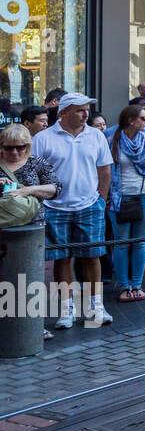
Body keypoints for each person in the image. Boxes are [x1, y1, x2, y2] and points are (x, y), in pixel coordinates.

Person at [31, 93, 114, 327]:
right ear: (64, 112)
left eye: (87, 109)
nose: (85, 114)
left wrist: (101, 200)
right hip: (54, 206)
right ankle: (67, 309)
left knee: (92, 257)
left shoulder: (96, 135)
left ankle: (96, 307)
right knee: (62, 259)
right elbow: (34, 173)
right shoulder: (43, 138)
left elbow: (105, 170)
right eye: (79, 110)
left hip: (89, 204)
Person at [0, 123, 60, 338]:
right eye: (8, 148)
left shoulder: (37, 164)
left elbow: (55, 188)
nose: (14, 152)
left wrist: (26, 190)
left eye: (20, 147)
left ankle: (32, 326)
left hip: (31, 228)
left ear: (28, 146)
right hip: (3, 229)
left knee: (30, 278)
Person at [105, 105, 145, 303]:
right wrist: (103, 194)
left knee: (140, 242)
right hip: (119, 197)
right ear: (130, 120)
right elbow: (104, 169)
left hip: (144, 196)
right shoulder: (112, 139)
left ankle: (137, 285)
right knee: (121, 243)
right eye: (142, 118)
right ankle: (124, 286)